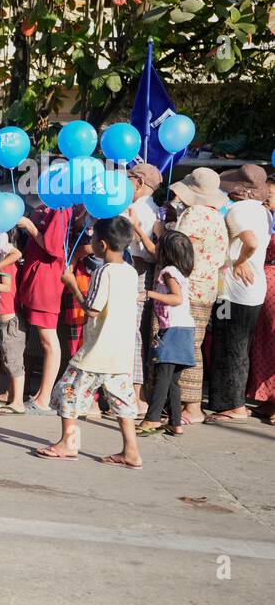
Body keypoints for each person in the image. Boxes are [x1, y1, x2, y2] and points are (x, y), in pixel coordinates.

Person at [36, 216, 141, 469]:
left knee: (67, 391)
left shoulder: (103, 271)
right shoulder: (131, 271)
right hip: (120, 351)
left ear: (102, 245)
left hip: (97, 351)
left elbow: (92, 309)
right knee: (122, 401)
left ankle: (67, 443)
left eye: (93, 239)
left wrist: (72, 284)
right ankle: (131, 451)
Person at [206, 164, 273, 423]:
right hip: (252, 290)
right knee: (239, 345)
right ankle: (233, 401)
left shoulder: (237, 212)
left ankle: (232, 405)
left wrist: (238, 261)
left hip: (231, 291)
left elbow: (251, 242)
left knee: (227, 344)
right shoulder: (262, 212)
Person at [164, 168, 228, 424]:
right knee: (195, 344)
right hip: (208, 288)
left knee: (184, 347)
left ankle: (191, 406)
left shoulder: (192, 214)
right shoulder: (216, 217)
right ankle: (191, 405)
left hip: (187, 288)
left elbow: (178, 246)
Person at [16, 196, 77, 414]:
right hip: (39, 276)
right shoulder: (52, 206)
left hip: (47, 279)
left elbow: (52, 247)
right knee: (44, 339)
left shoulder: (62, 209)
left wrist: (30, 226)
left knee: (48, 339)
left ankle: (44, 398)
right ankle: (41, 394)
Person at [138, 230, 195, 436]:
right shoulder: (180, 271)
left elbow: (176, 298)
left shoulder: (169, 271)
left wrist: (148, 294)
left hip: (173, 329)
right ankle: (175, 422)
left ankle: (152, 419)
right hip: (184, 329)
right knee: (172, 380)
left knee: (163, 375)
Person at [124, 163, 163, 416]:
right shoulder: (155, 209)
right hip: (144, 272)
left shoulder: (136, 210)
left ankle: (136, 395)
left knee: (131, 333)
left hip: (136, 270)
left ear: (138, 182)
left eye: (128, 178)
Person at [245, 176, 275, 423]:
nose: (267, 198)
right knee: (264, 343)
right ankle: (267, 398)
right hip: (265, 286)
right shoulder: (264, 216)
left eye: (271, 194)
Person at [0, 229, 27, 414]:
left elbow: (6, 287)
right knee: (8, 359)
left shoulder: (5, 264)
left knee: (13, 361)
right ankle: (11, 394)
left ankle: (18, 401)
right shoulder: (5, 263)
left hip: (10, 319)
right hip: (6, 318)